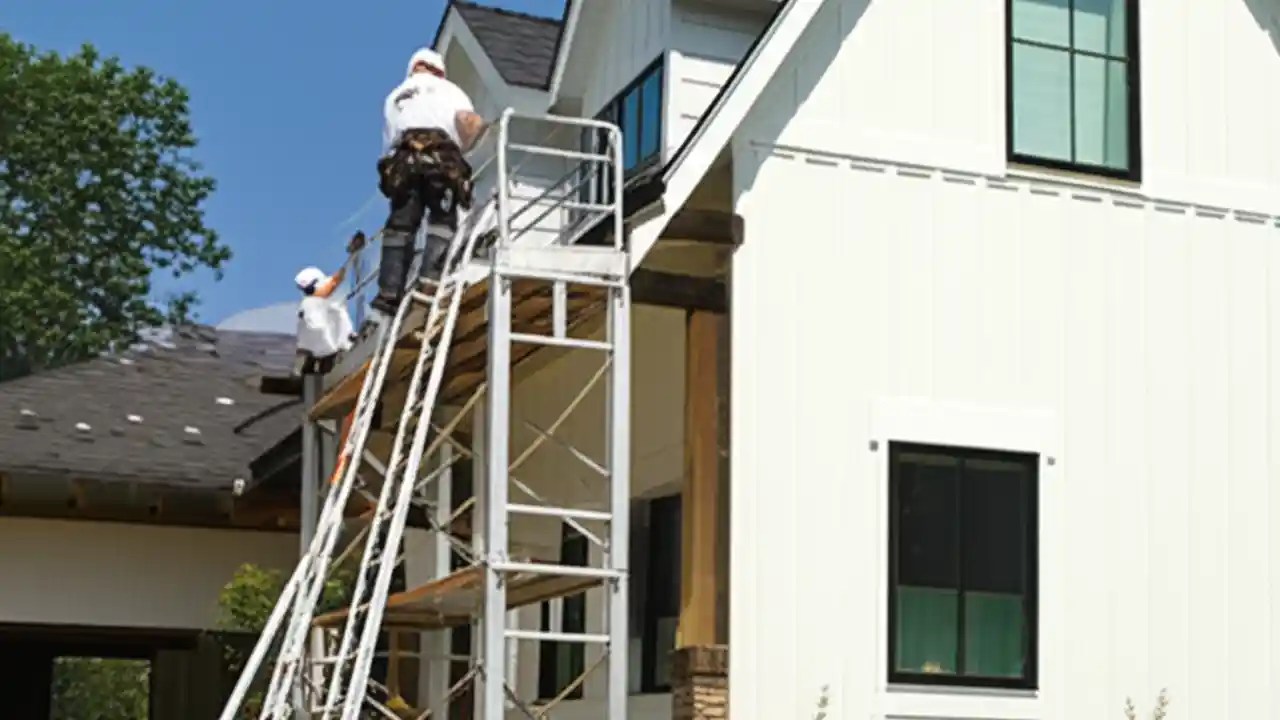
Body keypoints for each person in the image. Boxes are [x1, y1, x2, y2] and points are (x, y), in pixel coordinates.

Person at [373, 47, 489, 315]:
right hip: (440, 158)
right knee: (442, 218)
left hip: (403, 161)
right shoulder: (448, 89)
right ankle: (429, 280)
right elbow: (467, 120)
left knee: (401, 225)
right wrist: (467, 145)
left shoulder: (394, 96)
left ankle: (389, 292)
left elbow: (389, 142)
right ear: (439, 70)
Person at [294, 232, 365, 361]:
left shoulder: (310, 303)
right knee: (337, 310)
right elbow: (330, 286)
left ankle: (349, 342)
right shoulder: (312, 304)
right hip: (324, 354)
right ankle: (349, 343)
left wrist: (350, 259)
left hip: (320, 353)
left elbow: (333, 282)